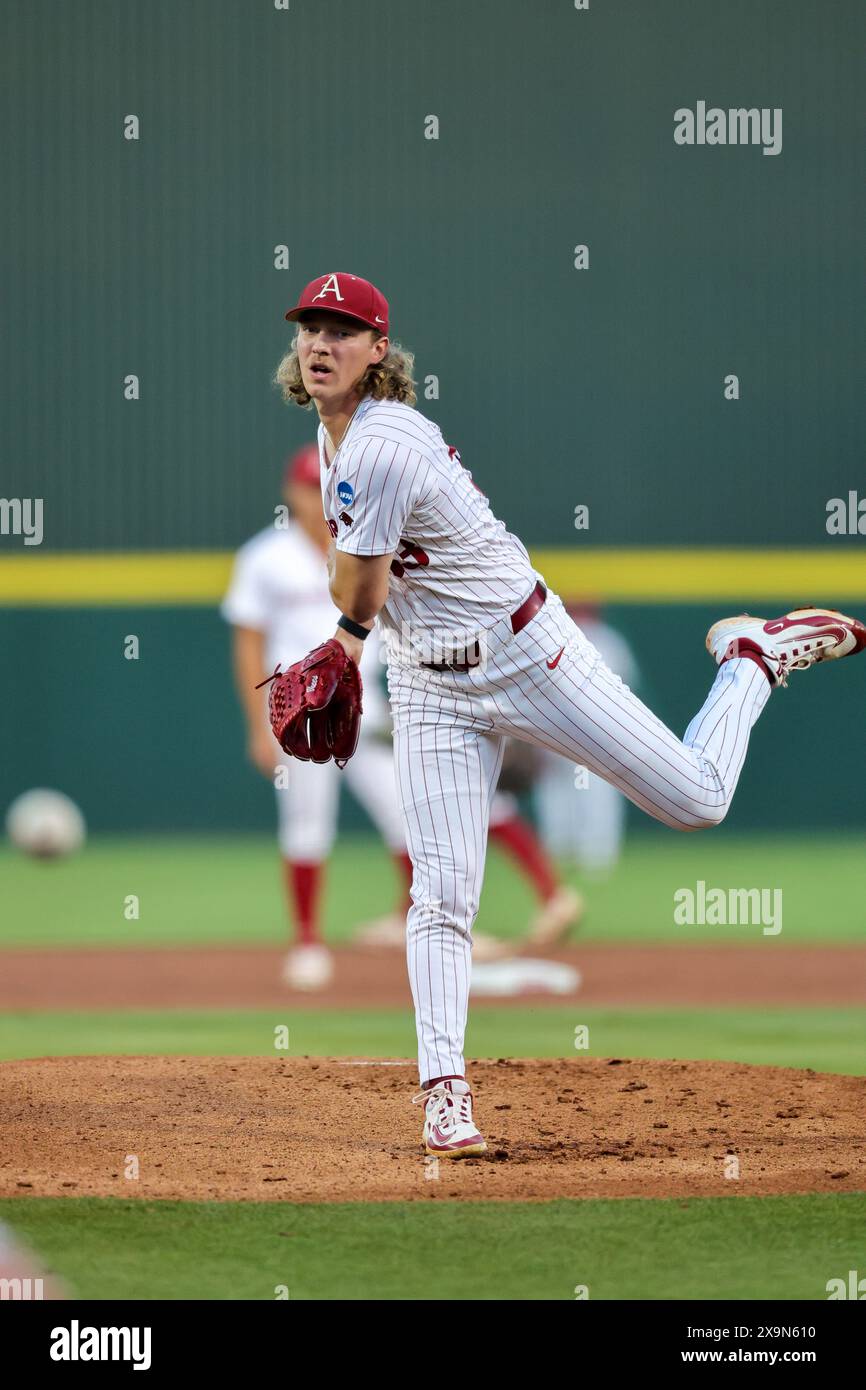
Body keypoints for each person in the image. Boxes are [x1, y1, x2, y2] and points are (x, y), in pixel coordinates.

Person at [273, 269, 866, 1158]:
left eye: (343, 330)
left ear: (378, 352)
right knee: (440, 897)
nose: (322, 343)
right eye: (311, 328)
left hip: (527, 649)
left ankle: (754, 657)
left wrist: (345, 646)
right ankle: (445, 1096)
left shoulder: (381, 444)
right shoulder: (337, 443)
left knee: (697, 800)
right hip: (431, 683)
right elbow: (366, 595)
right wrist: (360, 647)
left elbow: (356, 592)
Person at [222, 444, 412, 989]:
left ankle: (411, 922)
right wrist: (257, 725)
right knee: (307, 825)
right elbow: (248, 645)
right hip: (295, 709)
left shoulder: (367, 546)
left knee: (405, 814)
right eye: (307, 488)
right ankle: (307, 940)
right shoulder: (264, 556)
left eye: (323, 487)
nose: (314, 498)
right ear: (291, 493)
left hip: (365, 702)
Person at [534, 603, 639, 875]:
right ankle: (590, 851)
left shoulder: (555, 632)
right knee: (582, 789)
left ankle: (578, 849)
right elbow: (625, 685)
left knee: (572, 789)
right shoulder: (606, 639)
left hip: (560, 729)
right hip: (590, 732)